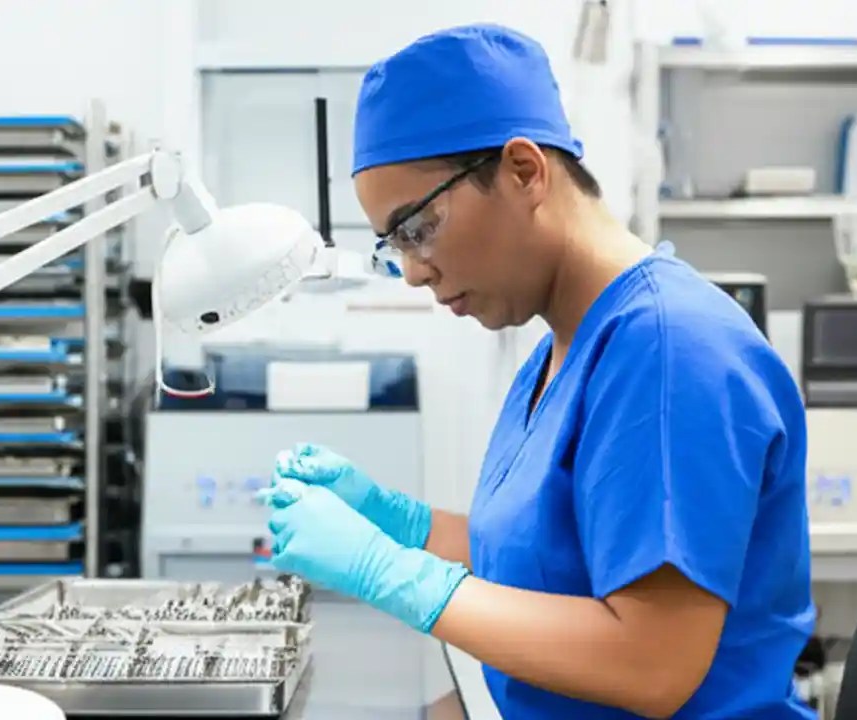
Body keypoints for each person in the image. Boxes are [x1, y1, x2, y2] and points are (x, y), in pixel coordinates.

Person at [262, 23, 816, 720]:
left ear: (524, 170)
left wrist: (392, 574)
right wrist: (398, 523)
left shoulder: (671, 350)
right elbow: (549, 555)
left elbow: (652, 663)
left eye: (417, 229)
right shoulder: (563, 344)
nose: (410, 272)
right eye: (391, 246)